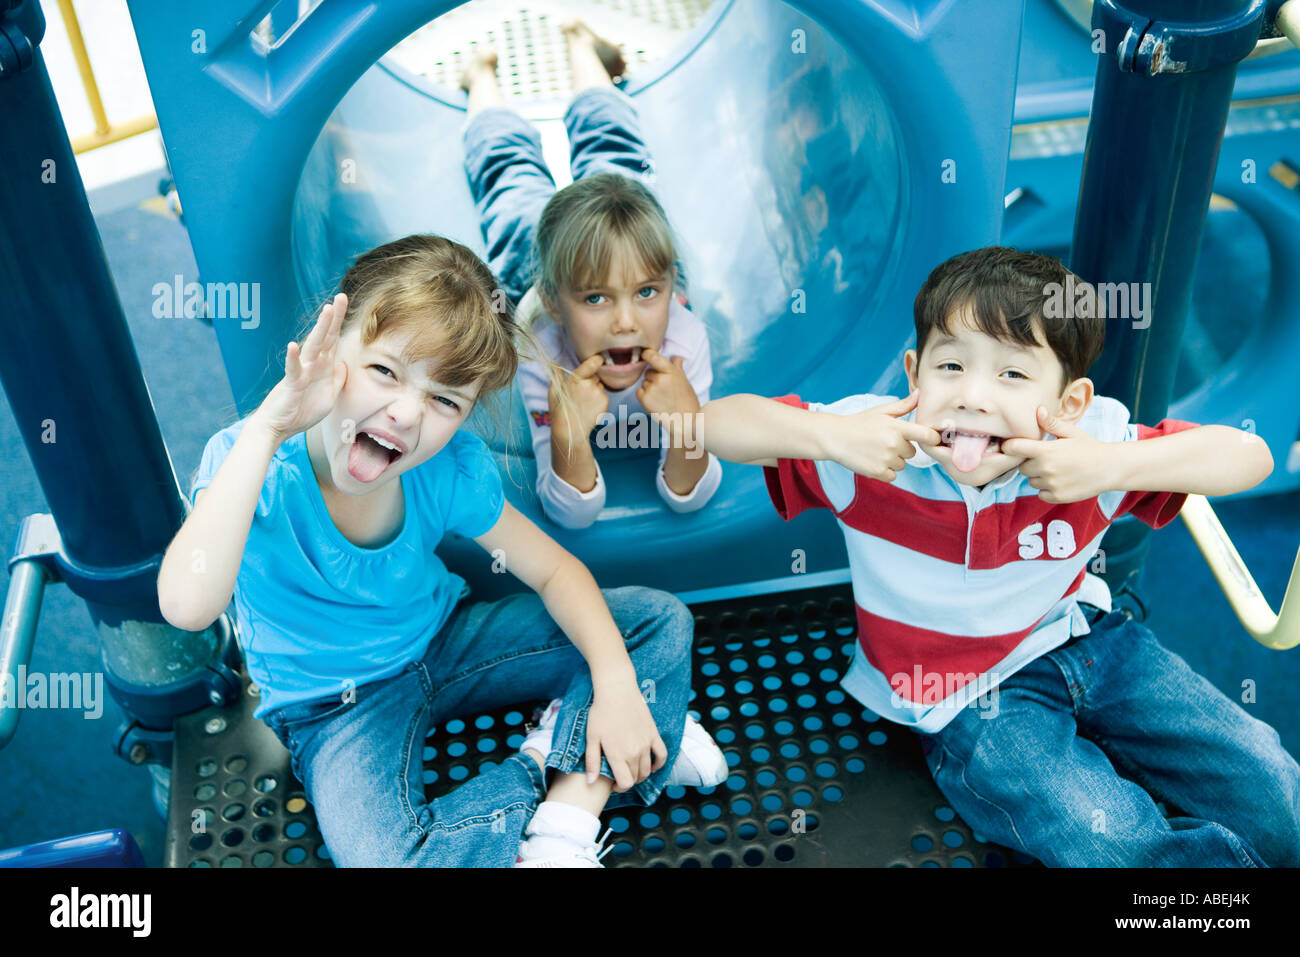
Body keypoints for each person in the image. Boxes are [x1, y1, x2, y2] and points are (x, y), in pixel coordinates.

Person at [697, 246, 1300, 866]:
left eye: (1012, 375)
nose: (974, 397)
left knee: (1272, 794)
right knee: (1105, 835)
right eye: (951, 366)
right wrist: (829, 435)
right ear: (913, 375)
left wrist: (1115, 464)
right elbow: (710, 424)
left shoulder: (1089, 449)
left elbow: (1251, 456)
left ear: (1069, 404)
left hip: (1091, 642)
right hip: (964, 693)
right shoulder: (867, 446)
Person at [156, 234, 721, 868]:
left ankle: (568, 815)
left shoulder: (445, 468)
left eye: (445, 400)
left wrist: (616, 684)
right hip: (335, 707)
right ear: (330, 342)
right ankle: (548, 759)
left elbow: (556, 569)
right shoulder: (251, 460)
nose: (403, 413)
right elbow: (187, 606)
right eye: (384, 372)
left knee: (655, 619)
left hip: (446, 642)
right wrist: (267, 427)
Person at [460, 17, 721, 529]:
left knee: (613, 151)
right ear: (559, 304)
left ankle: (581, 43)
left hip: (611, 247)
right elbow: (571, 514)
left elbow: (691, 497)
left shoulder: (683, 341)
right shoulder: (544, 354)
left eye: (648, 293)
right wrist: (568, 431)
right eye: (596, 300)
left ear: (667, 283)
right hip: (527, 267)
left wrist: (688, 425)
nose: (626, 322)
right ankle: (480, 76)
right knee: (510, 177)